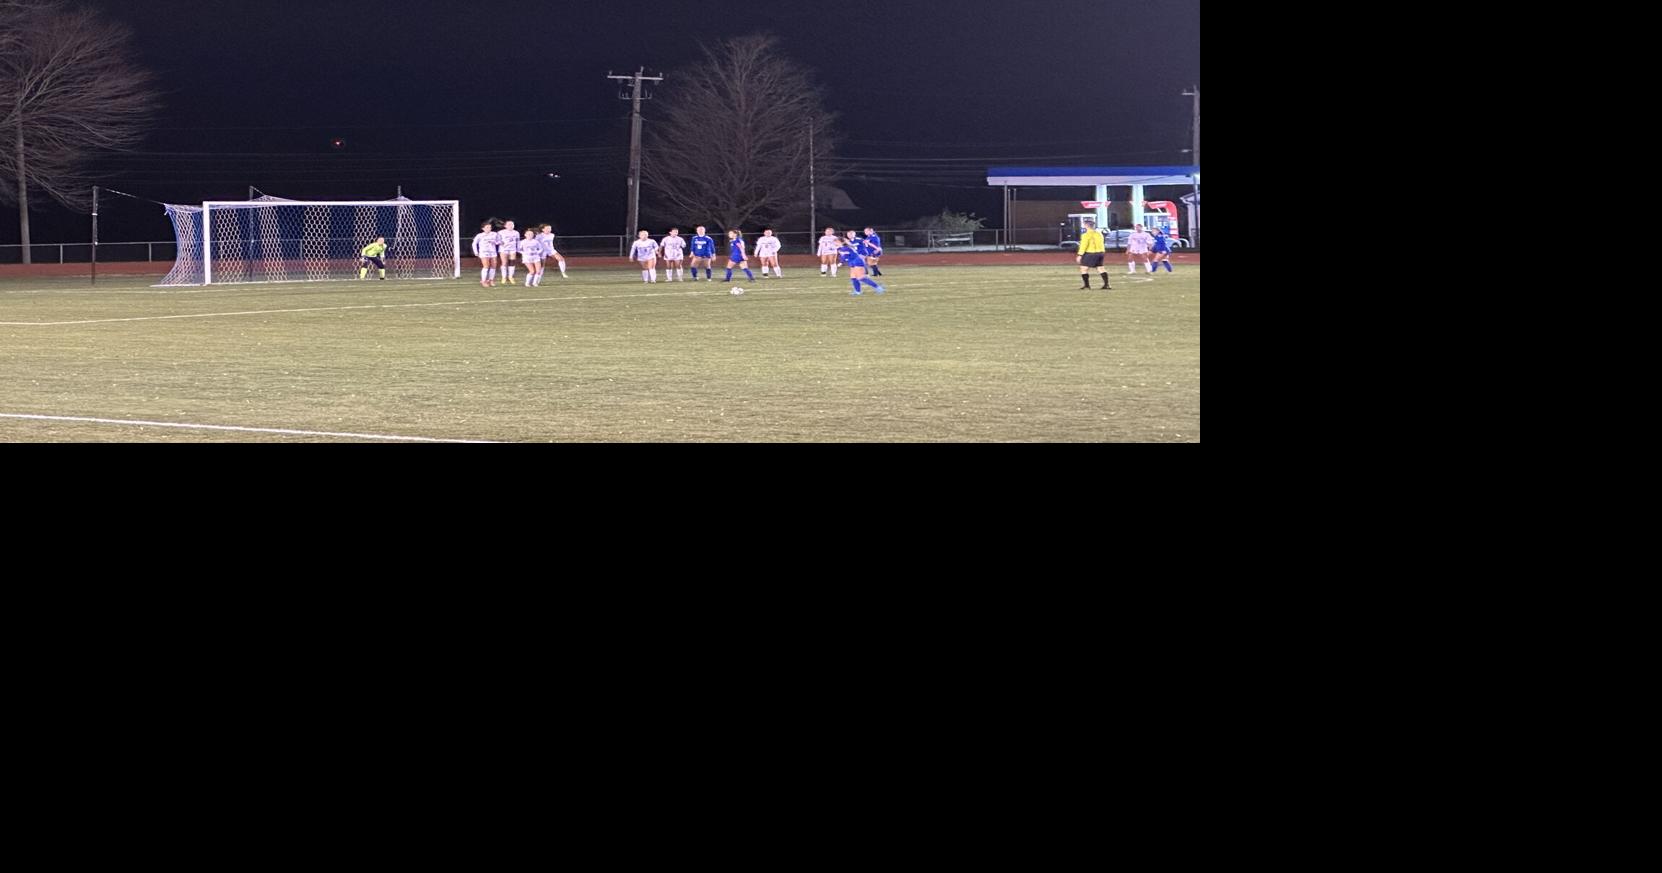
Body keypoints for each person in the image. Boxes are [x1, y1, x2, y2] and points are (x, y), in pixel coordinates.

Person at [839, 232, 885, 296]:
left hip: (857, 259)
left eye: (851, 234)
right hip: (852, 261)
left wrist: (876, 248)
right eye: (848, 234)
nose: (849, 235)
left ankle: (878, 287)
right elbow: (845, 255)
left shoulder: (858, 240)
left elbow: (867, 243)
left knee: (861, 277)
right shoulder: (846, 245)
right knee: (853, 278)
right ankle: (858, 292)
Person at [1075, 220, 1110, 290]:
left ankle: (1087, 285)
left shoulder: (1086, 235)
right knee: (1100, 268)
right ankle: (1107, 284)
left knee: (1084, 269)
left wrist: (1080, 255)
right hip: (1100, 253)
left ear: (1086, 225)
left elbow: (1084, 245)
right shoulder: (1099, 234)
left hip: (1090, 253)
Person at [472, 221, 499, 287]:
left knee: (494, 266)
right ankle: (483, 281)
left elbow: (499, 242)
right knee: (486, 266)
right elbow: (474, 243)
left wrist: (494, 242)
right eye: (487, 227)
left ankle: (490, 280)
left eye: (490, 227)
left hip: (492, 252)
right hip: (484, 252)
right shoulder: (480, 235)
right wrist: (476, 252)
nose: (489, 229)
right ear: (483, 228)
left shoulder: (494, 234)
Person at [497, 220, 521, 284]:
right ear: (505, 226)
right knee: (504, 263)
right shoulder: (501, 232)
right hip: (503, 249)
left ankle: (510, 277)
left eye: (512, 224)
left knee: (512, 263)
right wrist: (500, 243)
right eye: (509, 224)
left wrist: (518, 249)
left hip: (512, 249)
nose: (511, 226)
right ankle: (504, 277)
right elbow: (497, 240)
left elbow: (518, 242)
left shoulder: (516, 233)